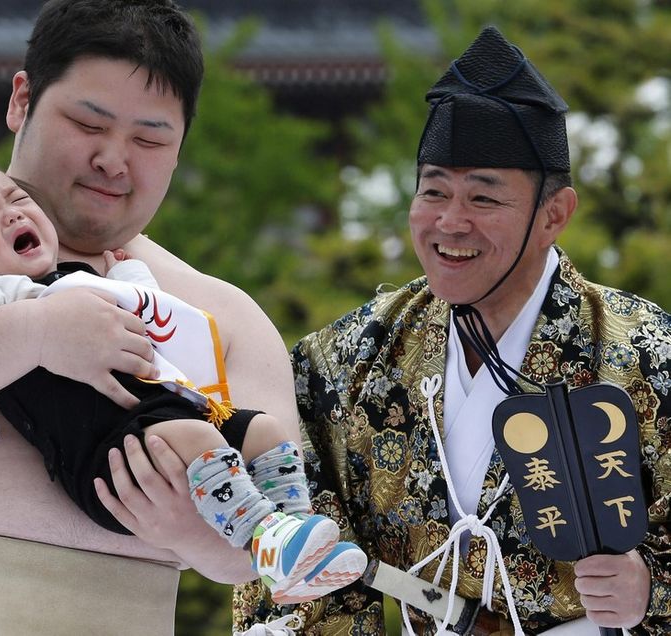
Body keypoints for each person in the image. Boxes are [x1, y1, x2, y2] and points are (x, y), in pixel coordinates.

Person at [0, 1, 313, 634]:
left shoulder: (226, 314)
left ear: (180, 148)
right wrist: (36, 332)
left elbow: (270, 522)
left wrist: (199, 538)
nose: (114, 161)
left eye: (149, 139)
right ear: (22, 100)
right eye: (88, 123)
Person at [233, 26, 671, 635]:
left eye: (484, 199)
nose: (449, 222)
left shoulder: (648, 355)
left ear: (554, 214)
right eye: (433, 191)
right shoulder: (352, 358)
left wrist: (653, 588)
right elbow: (289, 524)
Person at [0, 163, 368, 605]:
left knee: (266, 430)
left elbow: (145, 308)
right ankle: (266, 538)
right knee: (201, 440)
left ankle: (292, 533)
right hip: (107, 453)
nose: (12, 211)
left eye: (16, 198)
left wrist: (127, 274)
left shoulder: (77, 280)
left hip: (169, 413)